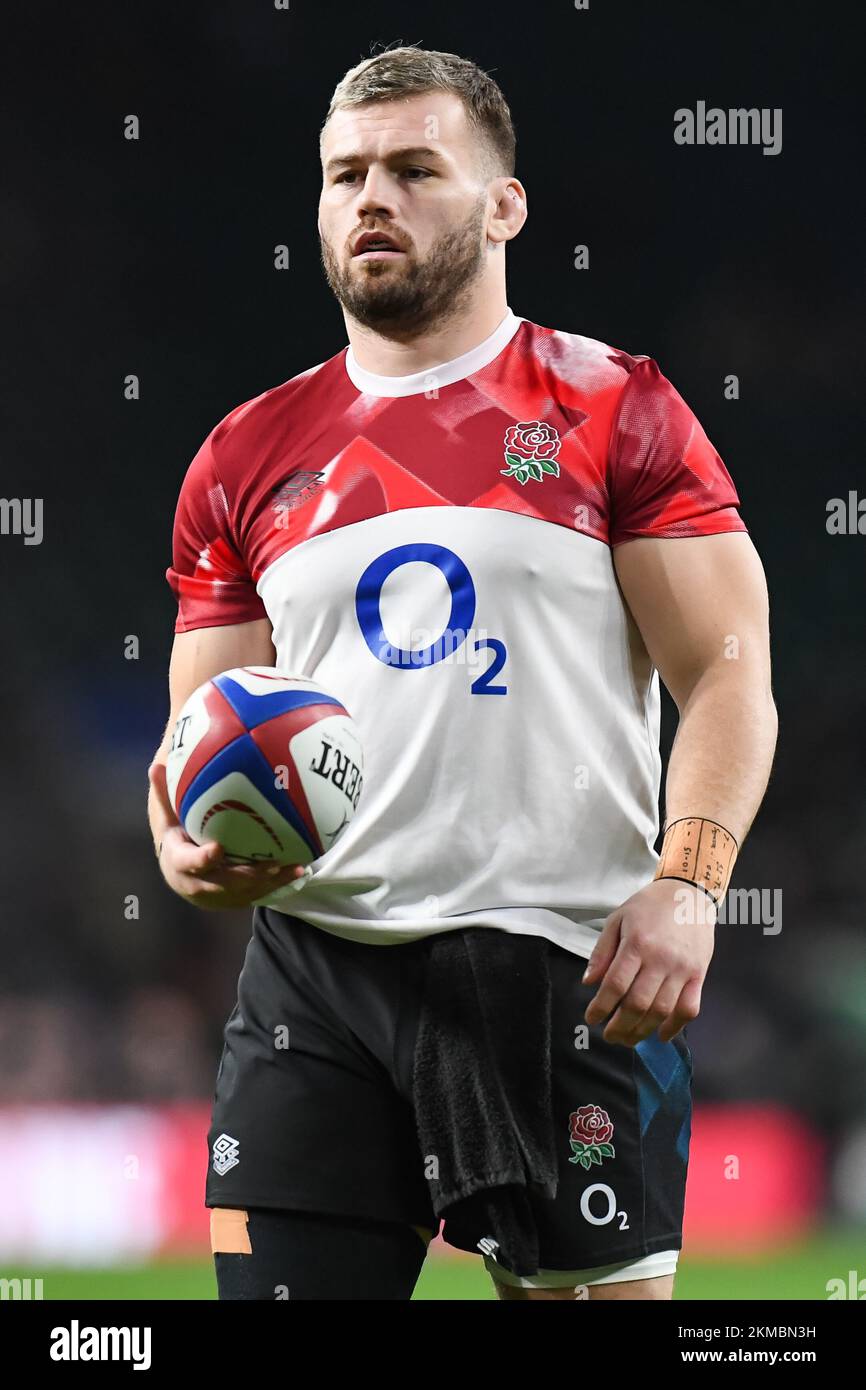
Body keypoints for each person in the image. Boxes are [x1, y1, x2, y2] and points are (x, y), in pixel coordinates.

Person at [148, 44, 777, 1301]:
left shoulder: (615, 408)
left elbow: (726, 673)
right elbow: (196, 742)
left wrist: (688, 882)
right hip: (316, 976)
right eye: (345, 176)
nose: (370, 197)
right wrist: (183, 848)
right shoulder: (243, 455)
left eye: (413, 169)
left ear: (504, 206)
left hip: (560, 961)